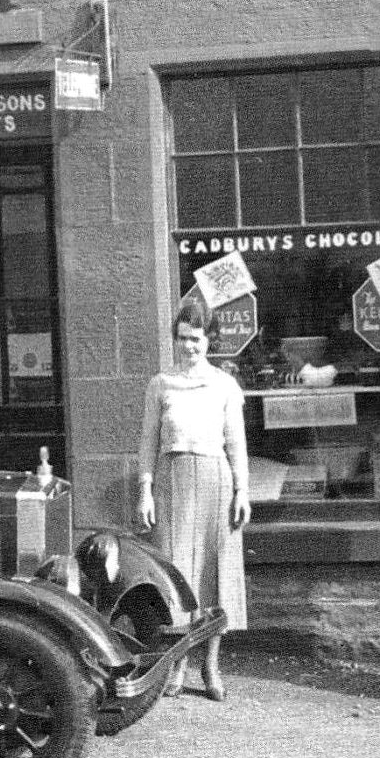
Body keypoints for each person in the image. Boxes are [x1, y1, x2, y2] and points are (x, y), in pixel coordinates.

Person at [134, 299, 250, 701]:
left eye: (197, 339)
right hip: (173, 481)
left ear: (209, 341)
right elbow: (148, 442)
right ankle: (178, 665)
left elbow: (236, 443)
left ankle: (211, 666)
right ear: (175, 339)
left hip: (216, 480)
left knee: (215, 575)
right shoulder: (160, 384)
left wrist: (242, 490)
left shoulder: (224, 385)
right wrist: (145, 492)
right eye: (183, 339)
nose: (190, 347)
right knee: (178, 577)